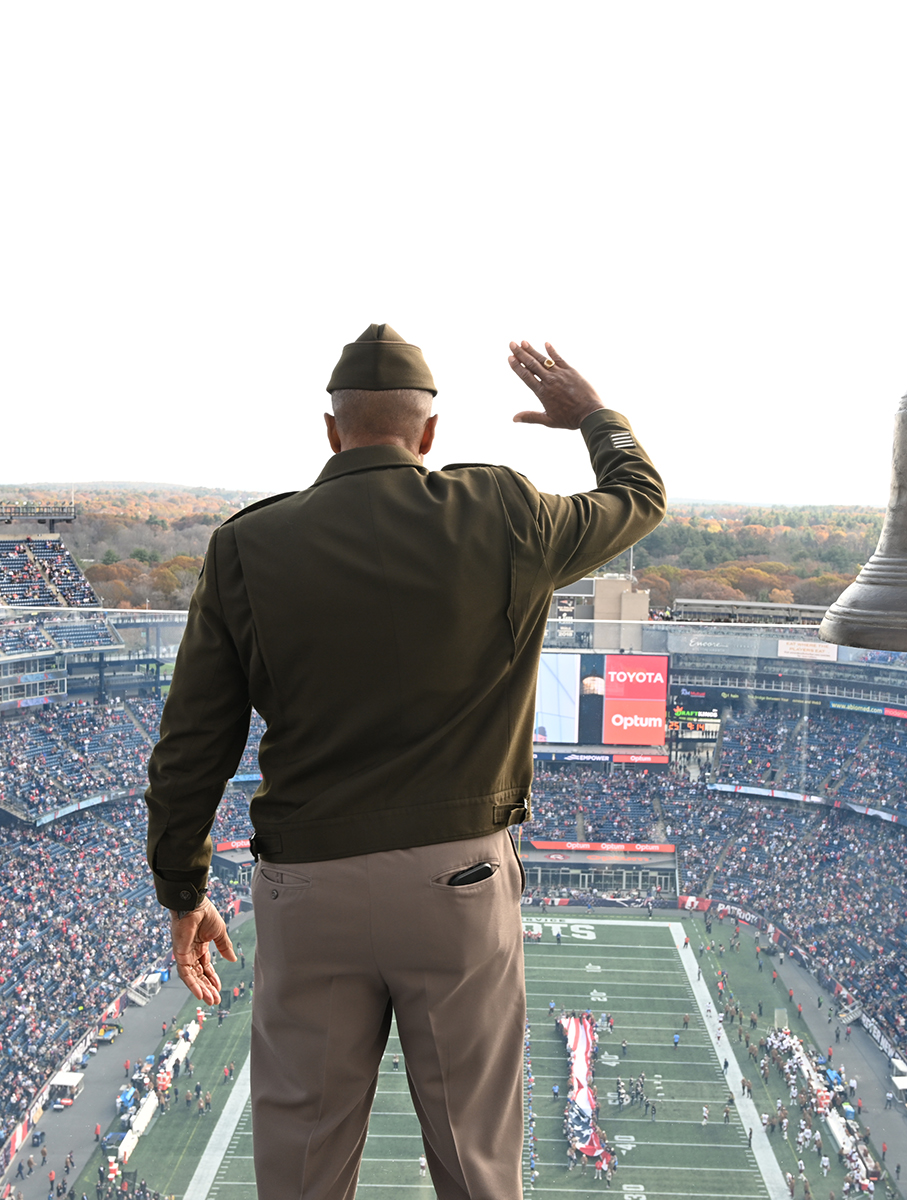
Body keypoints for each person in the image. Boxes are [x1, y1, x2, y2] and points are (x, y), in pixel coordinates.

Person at [147, 328, 661, 1200]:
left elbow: (194, 743)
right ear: (427, 435)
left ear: (330, 430)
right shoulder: (501, 509)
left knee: (302, 1171)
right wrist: (591, 417)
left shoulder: (247, 545)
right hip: (458, 881)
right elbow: (639, 497)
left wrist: (183, 890)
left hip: (307, 888)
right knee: (477, 1165)